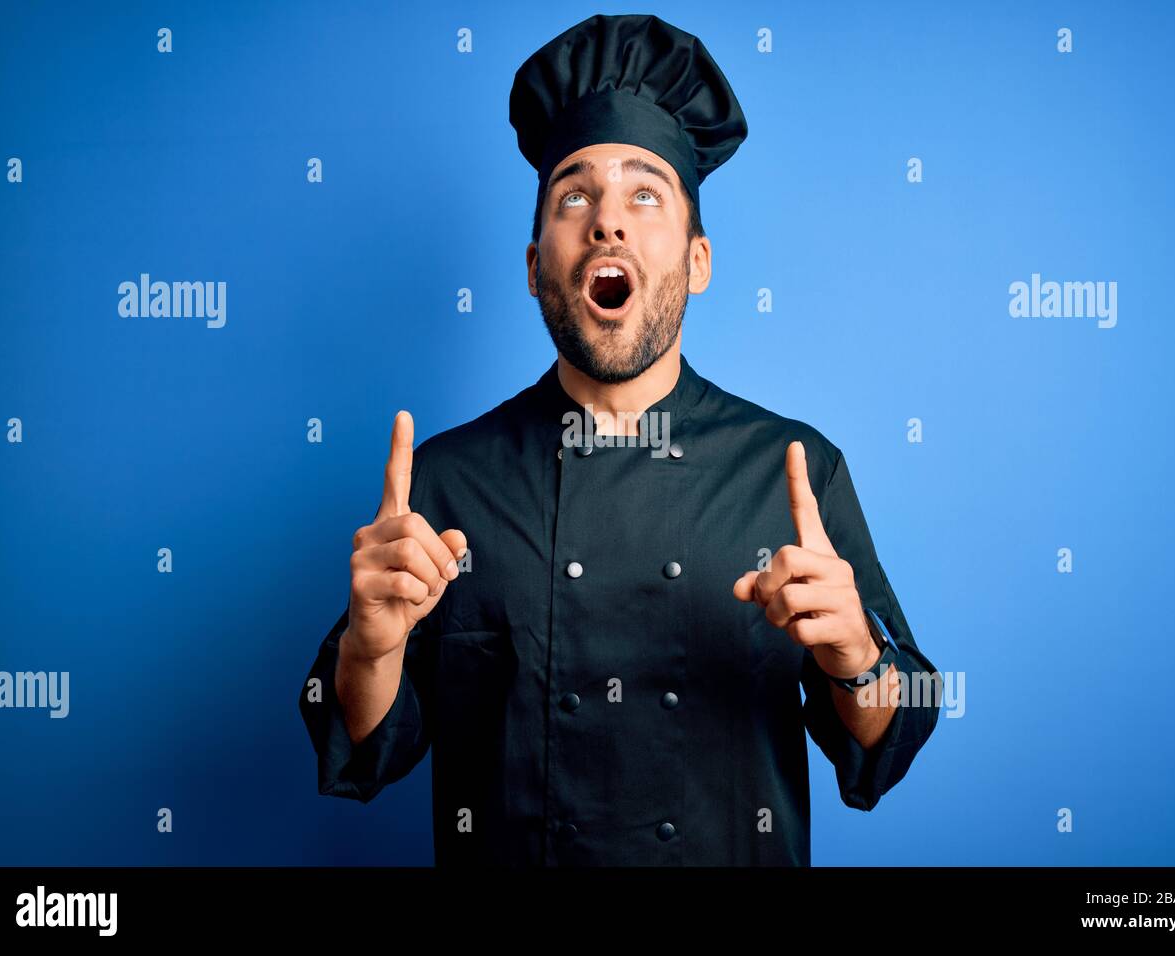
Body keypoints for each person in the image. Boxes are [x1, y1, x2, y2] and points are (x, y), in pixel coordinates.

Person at [299, 13, 942, 867]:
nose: (608, 223)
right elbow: (358, 741)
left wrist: (856, 659)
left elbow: (895, 727)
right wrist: (368, 648)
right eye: (575, 196)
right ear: (534, 266)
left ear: (698, 261)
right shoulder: (443, 484)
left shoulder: (792, 470)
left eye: (646, 193)